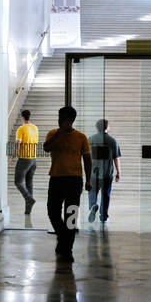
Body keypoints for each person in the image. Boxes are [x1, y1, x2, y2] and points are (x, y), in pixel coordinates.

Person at [43, 105, 91, 261]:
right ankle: (64, 239)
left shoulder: (81, 137)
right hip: (56, 178)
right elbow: (46, 148)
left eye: (63, 118)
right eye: (59, 118)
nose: (59, 121)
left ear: (71, 120)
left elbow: (87, 160)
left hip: (74, 180)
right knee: (52, 211)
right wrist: (60, 133)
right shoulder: (52, 134)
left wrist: (88, 180)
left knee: (71, 215)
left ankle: (67, 249)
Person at [88, 119, 121, 225]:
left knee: (92, 193)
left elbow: (87, 156)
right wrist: (118, 173)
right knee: (105, 195)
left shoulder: (91, 139)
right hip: (107, 174)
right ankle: (103, 217)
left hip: (94, 172)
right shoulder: (112, 141)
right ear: (107, 127)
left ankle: (93, 206)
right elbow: (116, 158)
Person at [12, 108, 38, 216]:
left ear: (22, 117)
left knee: (18, 182)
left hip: (24, 159)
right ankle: (28, 210)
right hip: (33, 159)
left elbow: (18, 143)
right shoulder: (35, 128)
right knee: (29, 183)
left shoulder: (21, 129)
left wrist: (14, 155)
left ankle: (29, 198)